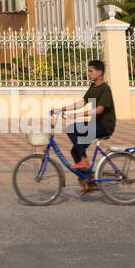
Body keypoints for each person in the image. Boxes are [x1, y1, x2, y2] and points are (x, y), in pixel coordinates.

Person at [53, 59, 115, 187]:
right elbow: (81, 103)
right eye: (89, 71)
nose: (89, 74)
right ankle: (89, 182)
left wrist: (78, 115)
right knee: (75, 151)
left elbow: (99, 110)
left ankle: (84, 160)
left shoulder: (105, 88)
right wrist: (60, 109)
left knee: (71, 129)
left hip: (104, 126)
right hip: (96, 125)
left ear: (100, 72)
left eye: (91, 71)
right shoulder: (93, 87)